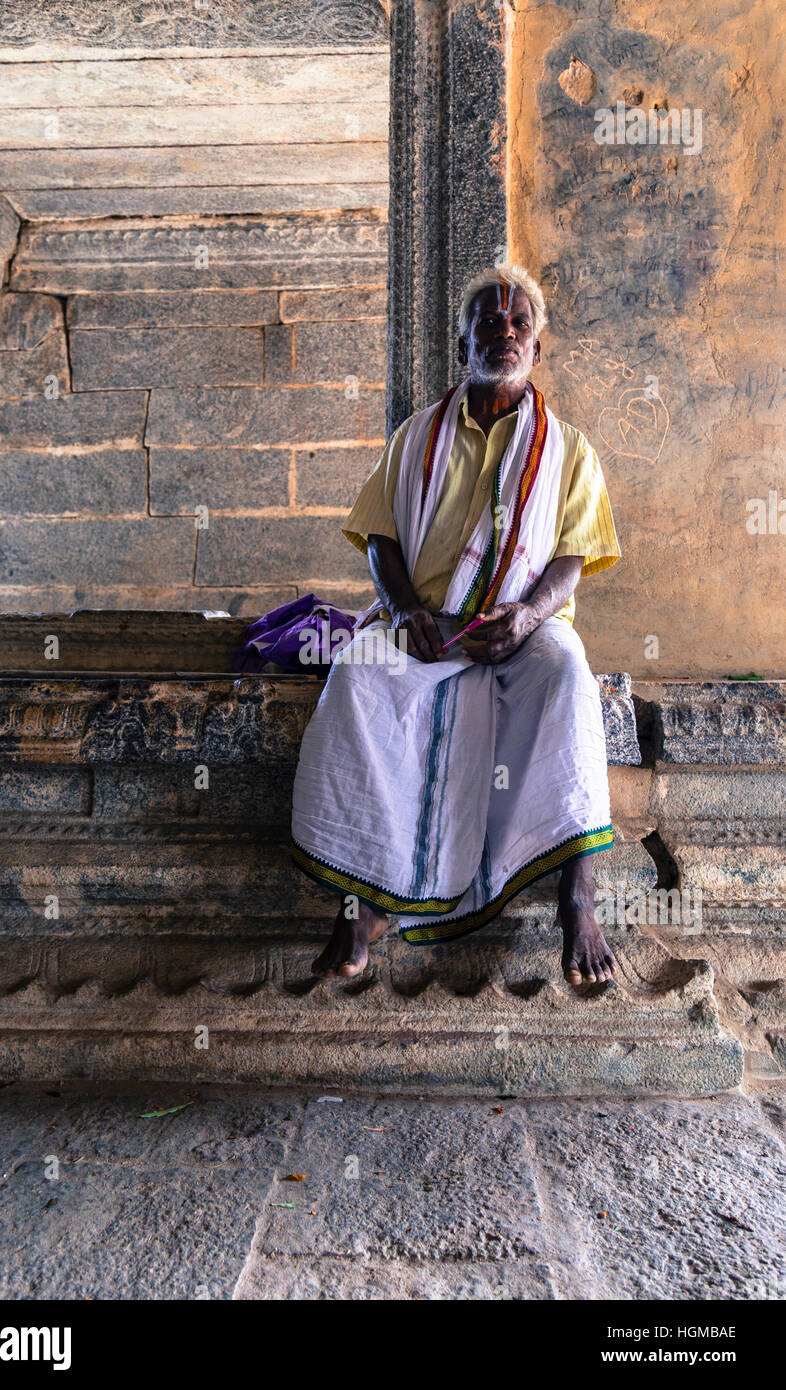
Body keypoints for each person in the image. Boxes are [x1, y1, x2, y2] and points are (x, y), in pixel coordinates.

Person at [291, 264, 621, 986]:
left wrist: (530, 614)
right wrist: (406, 609)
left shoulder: (570, 450)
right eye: (489, 322)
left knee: (568, 675)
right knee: (356, 673)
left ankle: (578, 896)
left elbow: (573, 555)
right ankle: (364, 908)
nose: (504, 332)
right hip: (427, 626)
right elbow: (380, 538)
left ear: (536, 347)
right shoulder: (416, 437)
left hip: (523, 626)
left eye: (518, 324)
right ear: (464, 340)